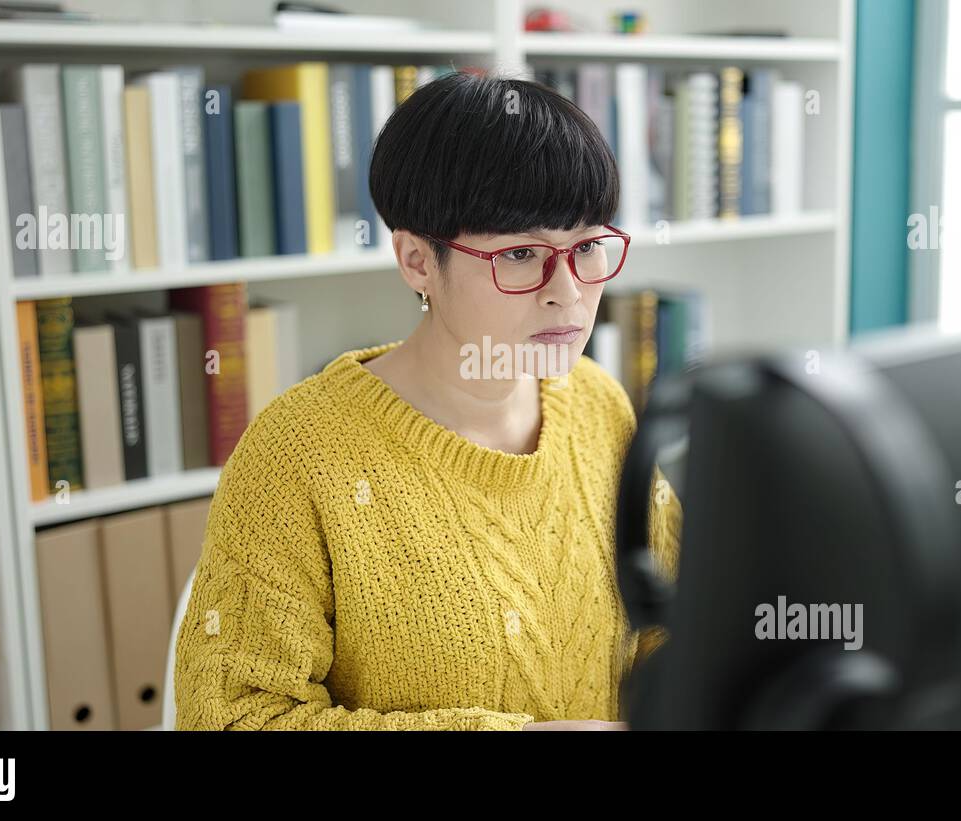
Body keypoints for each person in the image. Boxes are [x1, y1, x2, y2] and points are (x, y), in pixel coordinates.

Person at [174, 71, 681, 730]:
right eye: (523, 254)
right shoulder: (296, 455)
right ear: (417, 260)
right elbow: (233, 717)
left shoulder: (599, 404)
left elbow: (670, 627)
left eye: (587, 246)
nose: (569, 293)